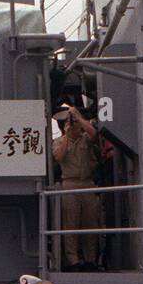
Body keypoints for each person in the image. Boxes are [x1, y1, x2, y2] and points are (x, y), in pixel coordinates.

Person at [53, 105, 102, 271]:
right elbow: (59, 156)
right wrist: (66, 134)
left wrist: (80, 118)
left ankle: (90, 260)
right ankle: (73, 261)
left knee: (90, 224)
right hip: (70, 184)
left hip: (87, 183)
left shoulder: (85, 139)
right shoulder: (59, 142)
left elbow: (95, 135)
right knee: (71, 224)